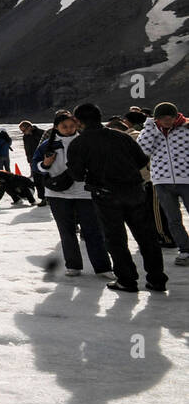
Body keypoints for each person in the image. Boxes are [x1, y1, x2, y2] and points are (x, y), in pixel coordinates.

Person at [67, 103, 167, 294]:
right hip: (134, 191)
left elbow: (77, 175)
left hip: (106, 195)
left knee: (115, 240)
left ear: (78, 121)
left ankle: (127, 280)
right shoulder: (121, 136)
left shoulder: (78, 144)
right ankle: (157, 279)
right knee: (147, 238)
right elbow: (142, 160)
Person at [33, 110, 113, 279]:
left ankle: (103, 267)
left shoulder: (85, 141)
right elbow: (35, 165)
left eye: (71, 126)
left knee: (93, 231)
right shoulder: (48, 144)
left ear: (77, 125)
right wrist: (45, 164)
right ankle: (73, 266)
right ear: (56, 127)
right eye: (64, 126)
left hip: (84, 192)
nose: (68, 129)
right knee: (66, 231)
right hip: (57, 193)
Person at [137, 101, 189, 267]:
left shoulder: (186, 129)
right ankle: (185, 249)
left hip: (186, 178)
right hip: (162, 180)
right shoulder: (151, 131)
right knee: (173, 219)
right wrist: (150, 129)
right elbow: (141, 150)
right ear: (156, 118)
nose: (167, 121)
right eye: (163, 118)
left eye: (170, 117)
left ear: (176, 116)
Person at [18, 120, 48, 205]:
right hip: (33, 160)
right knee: (37, 180)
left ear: (30, 127)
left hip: (43, 159)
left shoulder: (42, 133)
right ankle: (42, 198)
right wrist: (29, 160)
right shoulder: (25, 137)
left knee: (45, 179)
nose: (23, 132)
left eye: (24, 130)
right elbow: (27, 149)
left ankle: (49, 197)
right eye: (22, 131)